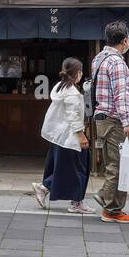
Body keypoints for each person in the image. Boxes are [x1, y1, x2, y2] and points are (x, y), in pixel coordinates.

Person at [89, 20, 129, 224]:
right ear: (125, 40)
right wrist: (128, 121)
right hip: (114, 118)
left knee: (113, 162)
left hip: (102, 116)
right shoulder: (117, 62)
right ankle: (111, 207)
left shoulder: (99, 59)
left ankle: (107, 199)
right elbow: (121, 94)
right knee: (119, 164)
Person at [33, 58, 95, 214]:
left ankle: (47, 188)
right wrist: (81, 136)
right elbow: (74, 117)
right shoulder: (72, 93)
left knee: (67, 169)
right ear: (78, 73)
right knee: (79, 169)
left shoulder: (60, 88)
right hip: (71, 137)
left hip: (60, 136)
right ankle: (73, 201)